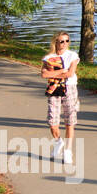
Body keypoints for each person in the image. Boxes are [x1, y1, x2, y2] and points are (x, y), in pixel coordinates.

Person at [40, 32, 80, 166]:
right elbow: (44, 74)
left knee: (70, 121)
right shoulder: (49, 58)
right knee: (53, 122)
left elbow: (70, 73)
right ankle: (58, 142)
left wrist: (57, 73)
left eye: (67, 41)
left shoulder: (72, 55)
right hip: (54, 89)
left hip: (69, 88)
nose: (64, 44)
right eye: (61, 41)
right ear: (55, 42)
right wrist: (61, 71)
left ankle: (68, 151)